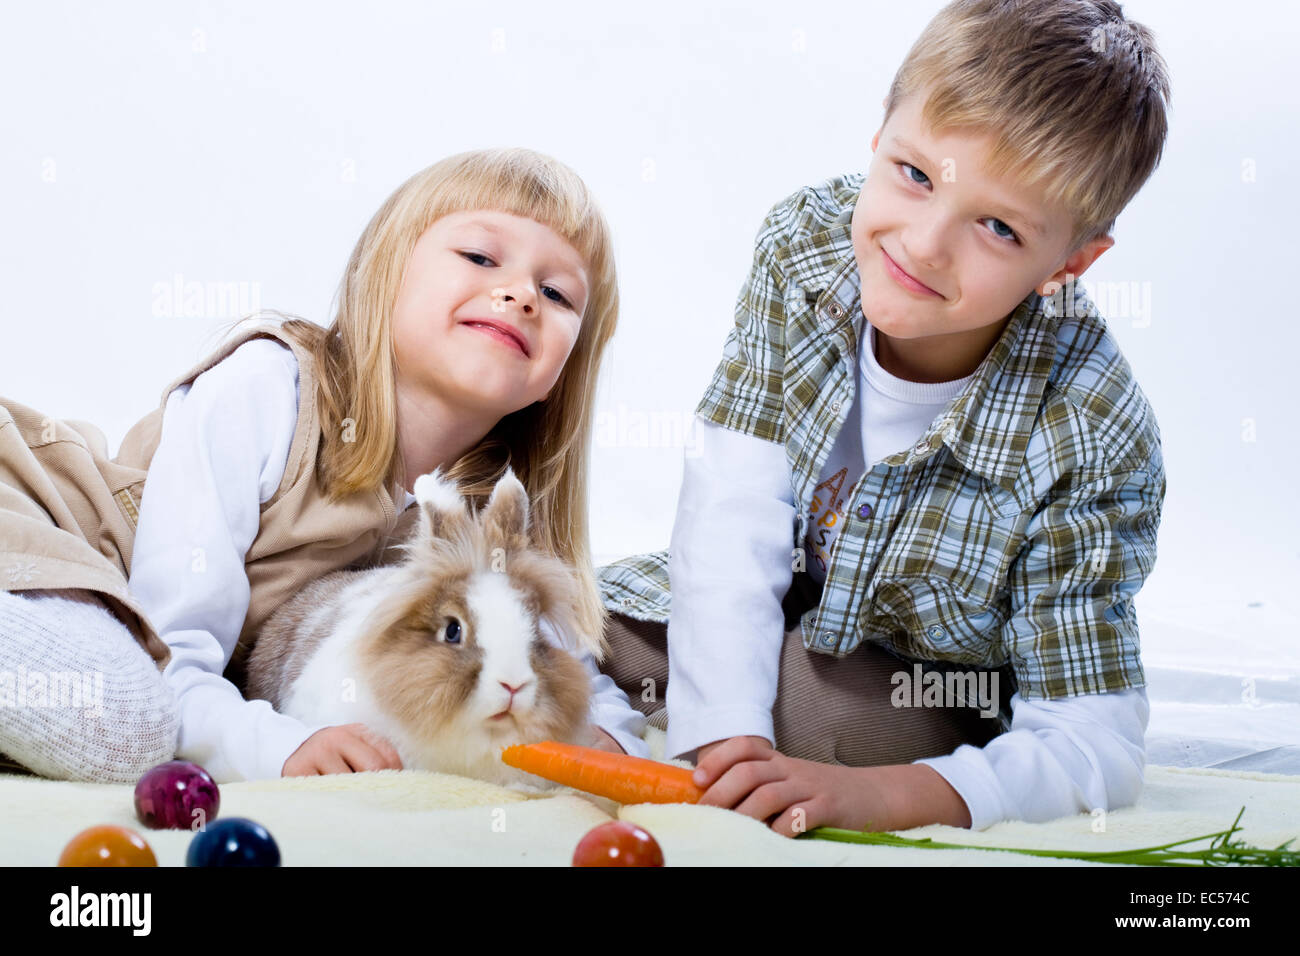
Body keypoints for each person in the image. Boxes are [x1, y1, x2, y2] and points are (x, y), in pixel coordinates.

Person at [596, 0, 1171, 835]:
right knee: (550, 617)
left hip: (917, 674)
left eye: (1000, 228)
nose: (925, 244)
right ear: (879, 135)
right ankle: (613, 740)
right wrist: (721, 733)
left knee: (828, 721)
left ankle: (783, 747)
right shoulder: (806, 248)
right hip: (793, 597)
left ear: (1072, 262)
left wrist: (875, 798)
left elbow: (1096, 744)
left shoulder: (1087, 428)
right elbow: (731, 507)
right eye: (915, 174)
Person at [0, 146, 645, 784]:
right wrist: (278, 747)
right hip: (46, 536)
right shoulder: (268, 389)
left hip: (122, 629)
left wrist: (606, 737)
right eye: (480, 257)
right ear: (386, 272)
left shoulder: (478, 512)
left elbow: (561, 660)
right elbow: (173, 649)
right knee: (126, 719)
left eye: (557, 293)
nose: (522, 294)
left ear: (563, 375)